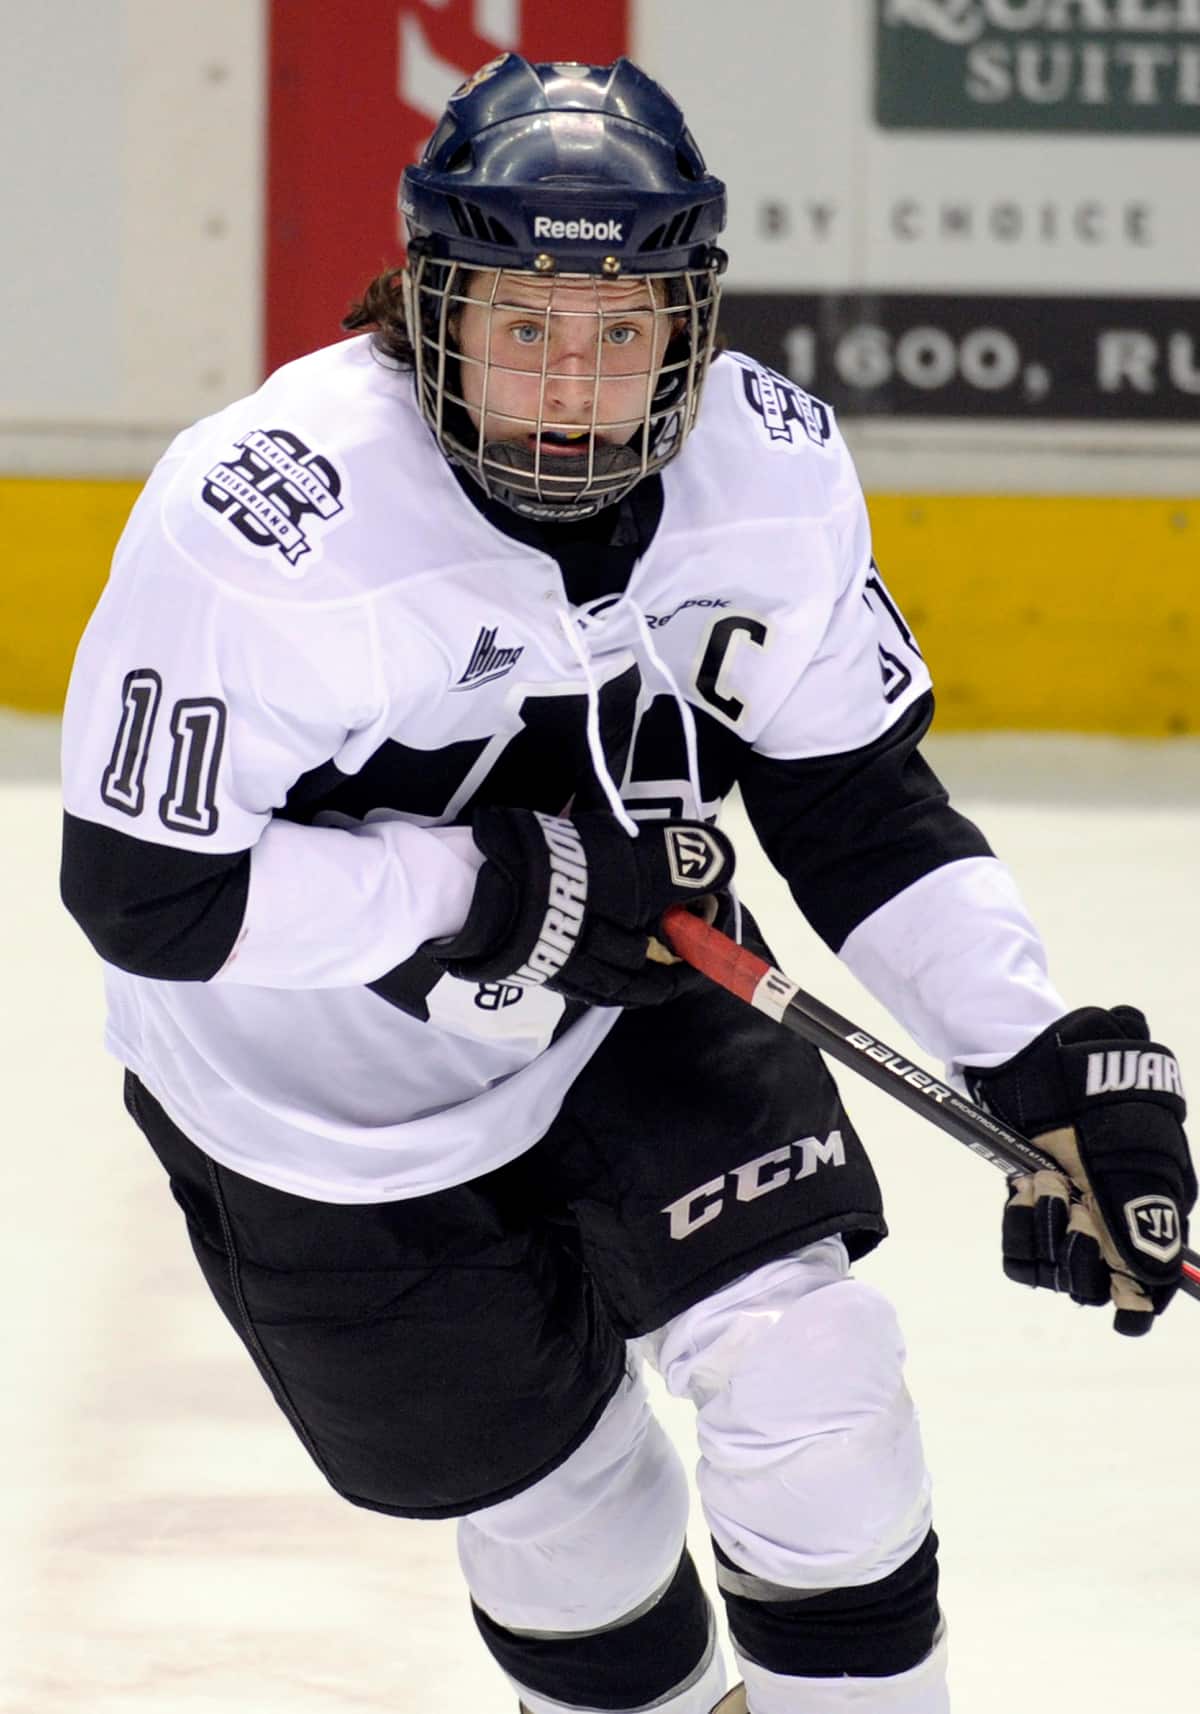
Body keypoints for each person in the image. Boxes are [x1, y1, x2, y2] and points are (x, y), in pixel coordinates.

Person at [60, 53, 1193, 1714]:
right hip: (302, 1102)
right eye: (524, 327)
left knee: (819, 1381)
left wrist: (1033, 1056)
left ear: (693, 323)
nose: (575, 387)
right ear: (426, 312)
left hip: (631, 1003)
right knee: (573, 1523)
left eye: (622, 332)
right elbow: (150, 893)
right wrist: (484, 887)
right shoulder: (274, 515)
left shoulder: (770, 472)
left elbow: (858, 805)